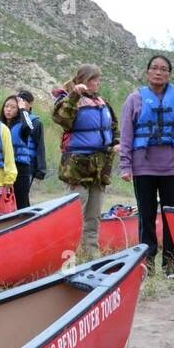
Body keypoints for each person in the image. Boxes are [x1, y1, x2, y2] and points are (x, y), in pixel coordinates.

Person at [120, 55, 174, 277]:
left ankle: (171, 264)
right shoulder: (134, 100)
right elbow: (126, 135)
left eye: (163, 69)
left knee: (172, 216)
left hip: (172, 169)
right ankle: (147, 263)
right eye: (154, 68)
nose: (158, 72)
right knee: (146, 215)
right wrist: (125, 165)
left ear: (169, 74)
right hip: (143, 168)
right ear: (147, 72)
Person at [53, 64, 118, 259]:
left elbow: (113, 127)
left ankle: (91, 252)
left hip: (100, 165)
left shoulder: (102, 103)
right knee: (75, 211)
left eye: (98, 79)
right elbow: (61, 119)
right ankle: (68, 252)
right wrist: (74, 95)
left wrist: (117, 143)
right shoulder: (68, 100)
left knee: (94, 213)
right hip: (77, 165)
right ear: (83, 80)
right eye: (94, 79)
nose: (98, 83)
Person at [13, 89, 48, 207]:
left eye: (24, 100)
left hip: (29, 165)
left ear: (30, 104)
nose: (21, 103)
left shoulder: (36, 122)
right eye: (19, 100)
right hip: (12, 163)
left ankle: (26, 218)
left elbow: (40, 146)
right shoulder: (13, 121)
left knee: (23, 194)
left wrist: (41, 169)